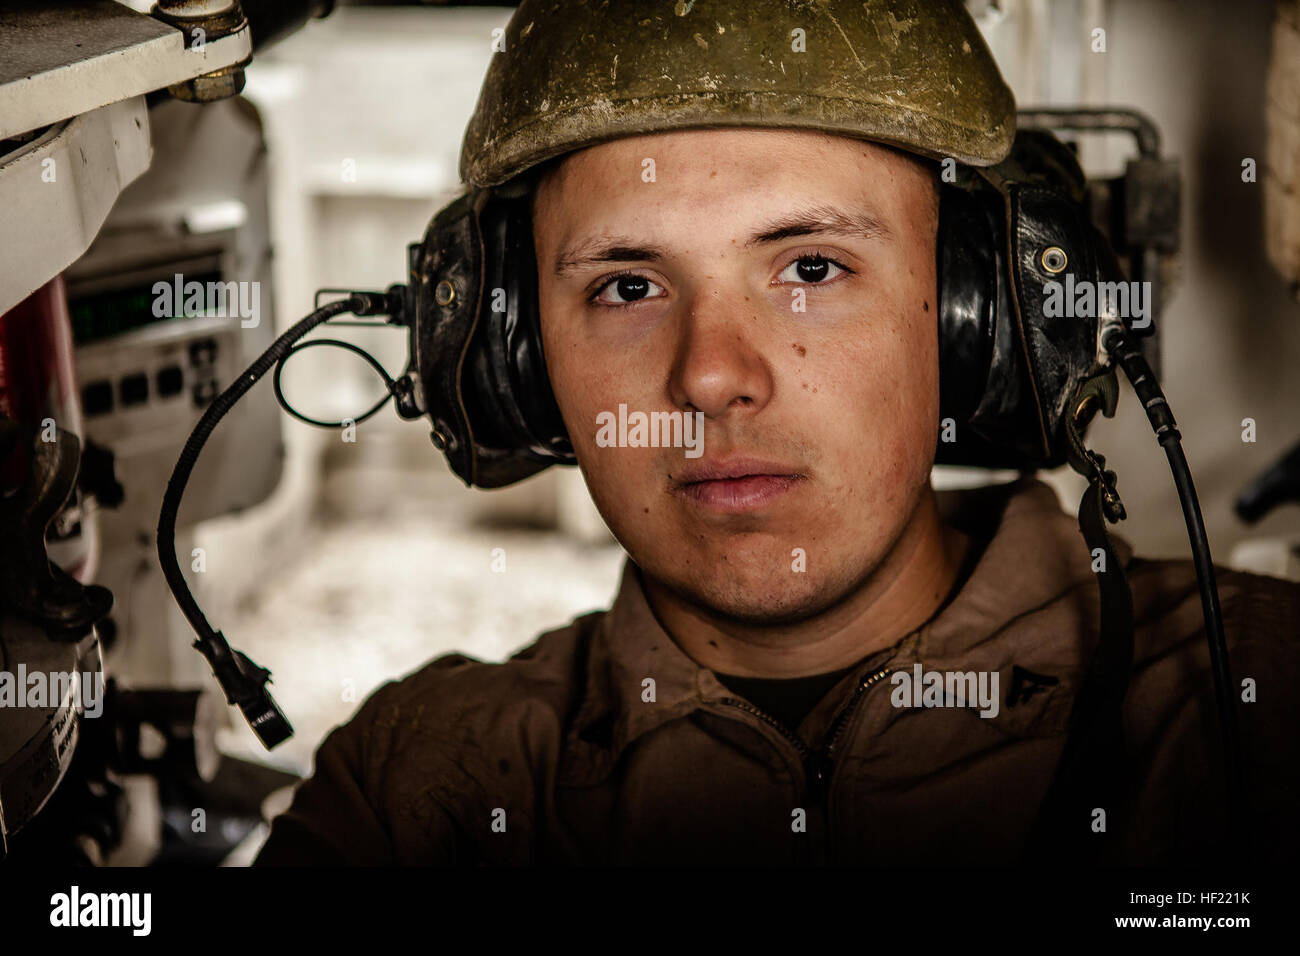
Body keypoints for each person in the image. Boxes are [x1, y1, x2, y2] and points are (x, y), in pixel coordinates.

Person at [255, 0, 1300, 866]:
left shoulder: (1260, 697)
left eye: (810, 268)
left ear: (979, 319)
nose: (712, 376)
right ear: (516, 357)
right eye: (628, 285)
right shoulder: (413, 793)